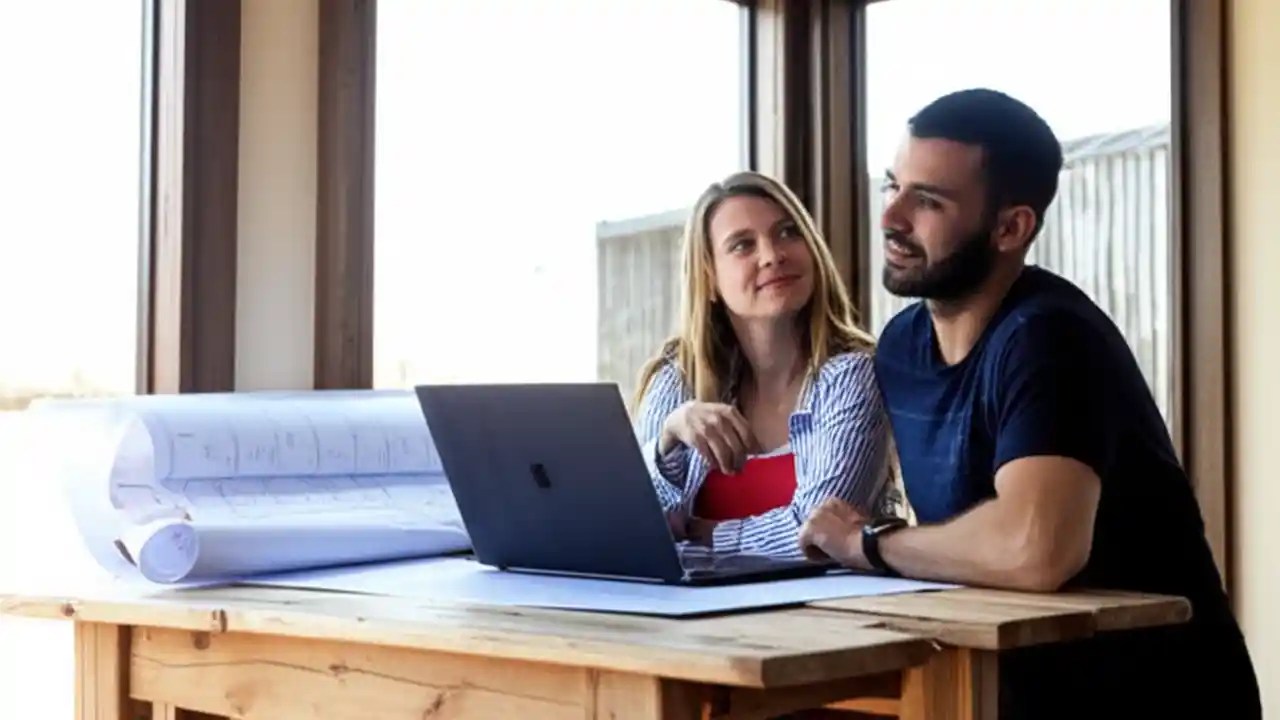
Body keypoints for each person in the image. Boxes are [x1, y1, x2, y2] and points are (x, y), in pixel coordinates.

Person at [798, 89, 1260, 717]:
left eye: (928, 200)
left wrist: (871, 544)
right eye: (892, 186)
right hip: (1004, 686)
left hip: (1153, 694)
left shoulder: (1050, 336)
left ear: (1011, 227)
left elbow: (1034, 548)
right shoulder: (902, 346)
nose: (891, 217)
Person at [631, 170, 895, 559]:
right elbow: (634, 530)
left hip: (829, 616)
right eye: (742, 245)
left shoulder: (854, 375)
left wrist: (710, 537)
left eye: (788, 232)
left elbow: (823, 536)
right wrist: (667, 442)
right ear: (710, 277)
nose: (772, 255)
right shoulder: (678, 379)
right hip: (687, 618)